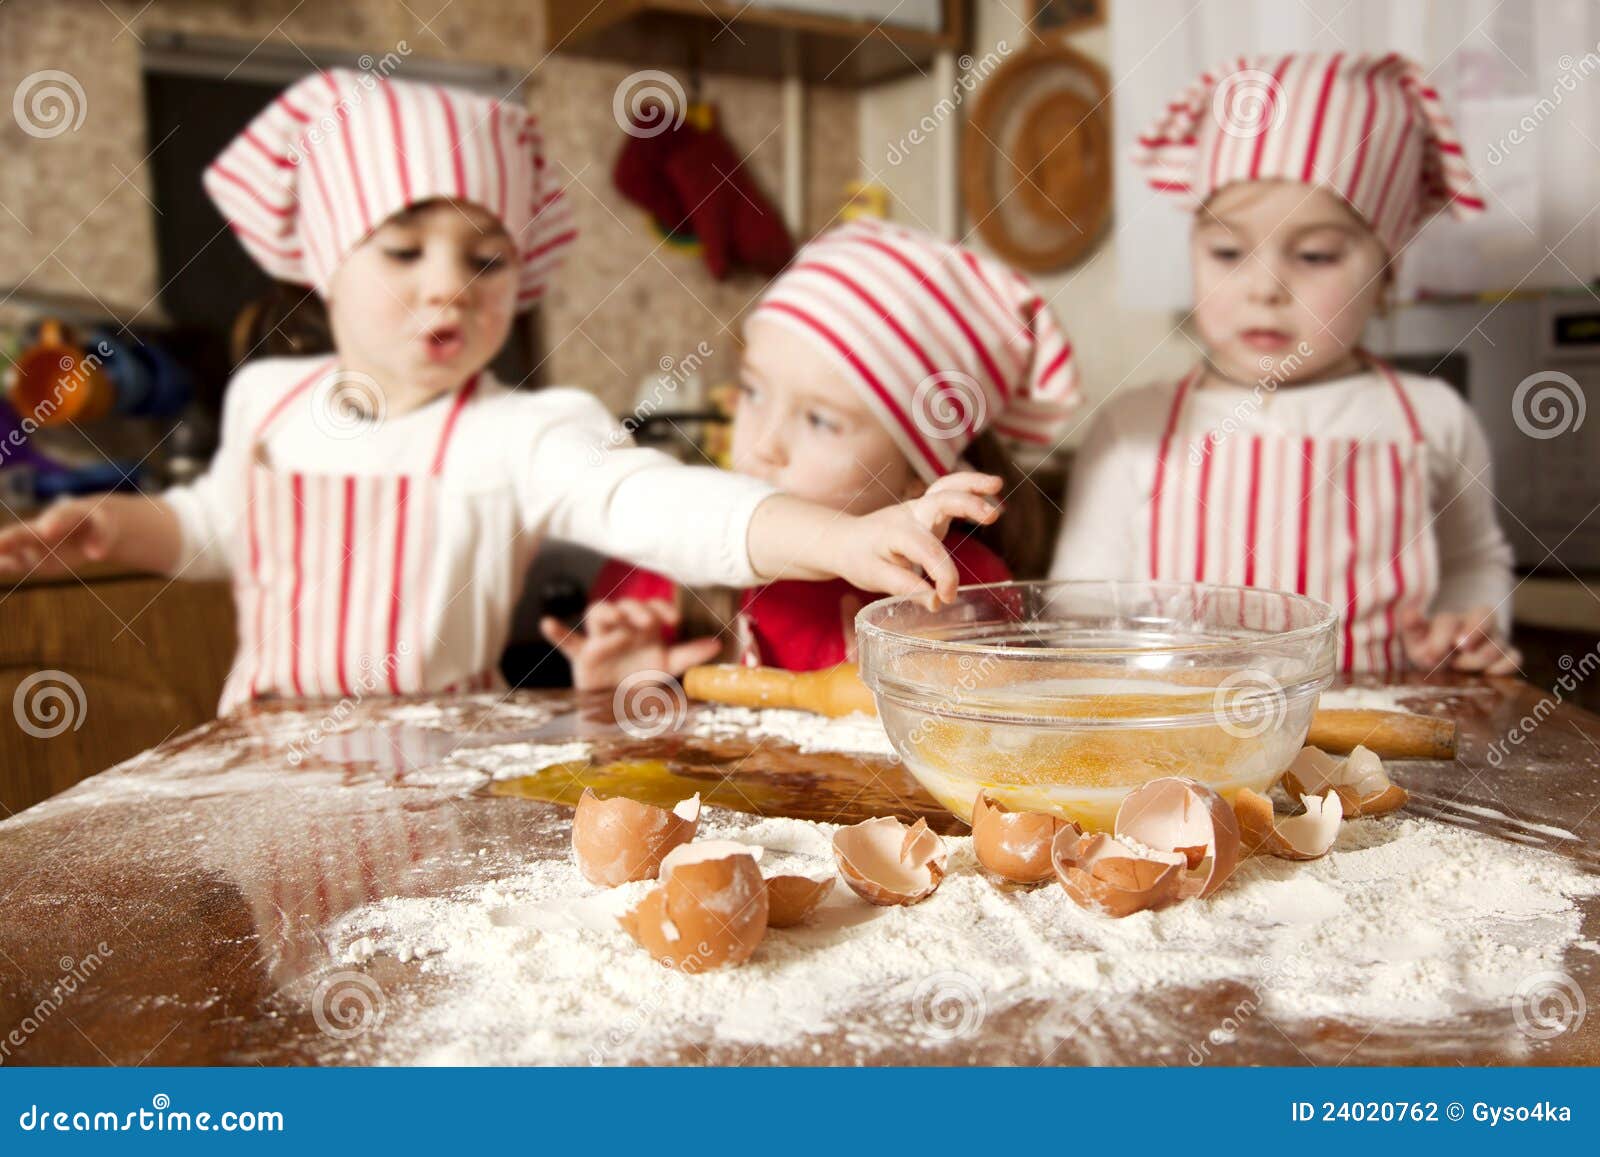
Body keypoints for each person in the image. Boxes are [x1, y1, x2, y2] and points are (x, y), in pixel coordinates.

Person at [0, 72, 998, 712]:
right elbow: (217, 528)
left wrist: (840, 539)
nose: (449, 284)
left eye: (485, 258)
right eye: (403, 249)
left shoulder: (522, 431)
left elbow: (665, 503)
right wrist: (112, 529)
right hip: (265, 765)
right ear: (320, 259)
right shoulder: (268, 397)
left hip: (442, 769)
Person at [1051, 53, 1517, 674]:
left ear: (1386, 275)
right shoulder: (1134, 427)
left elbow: (1474, 561)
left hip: (1373, 746)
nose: (1265, 288)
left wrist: (1467, 623)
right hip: (1177, 746)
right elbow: (1075, 613)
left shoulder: (1430, 417)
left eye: (1317, 255)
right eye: (1227, 251)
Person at [549, 219, 1079, 687]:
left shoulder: (961, 596)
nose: (763, 445)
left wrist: (929, 695)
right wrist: (621, 685)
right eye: (754, 392)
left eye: (821, 420)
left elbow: (998, 759)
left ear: (920, 476)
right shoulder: (662, 561)